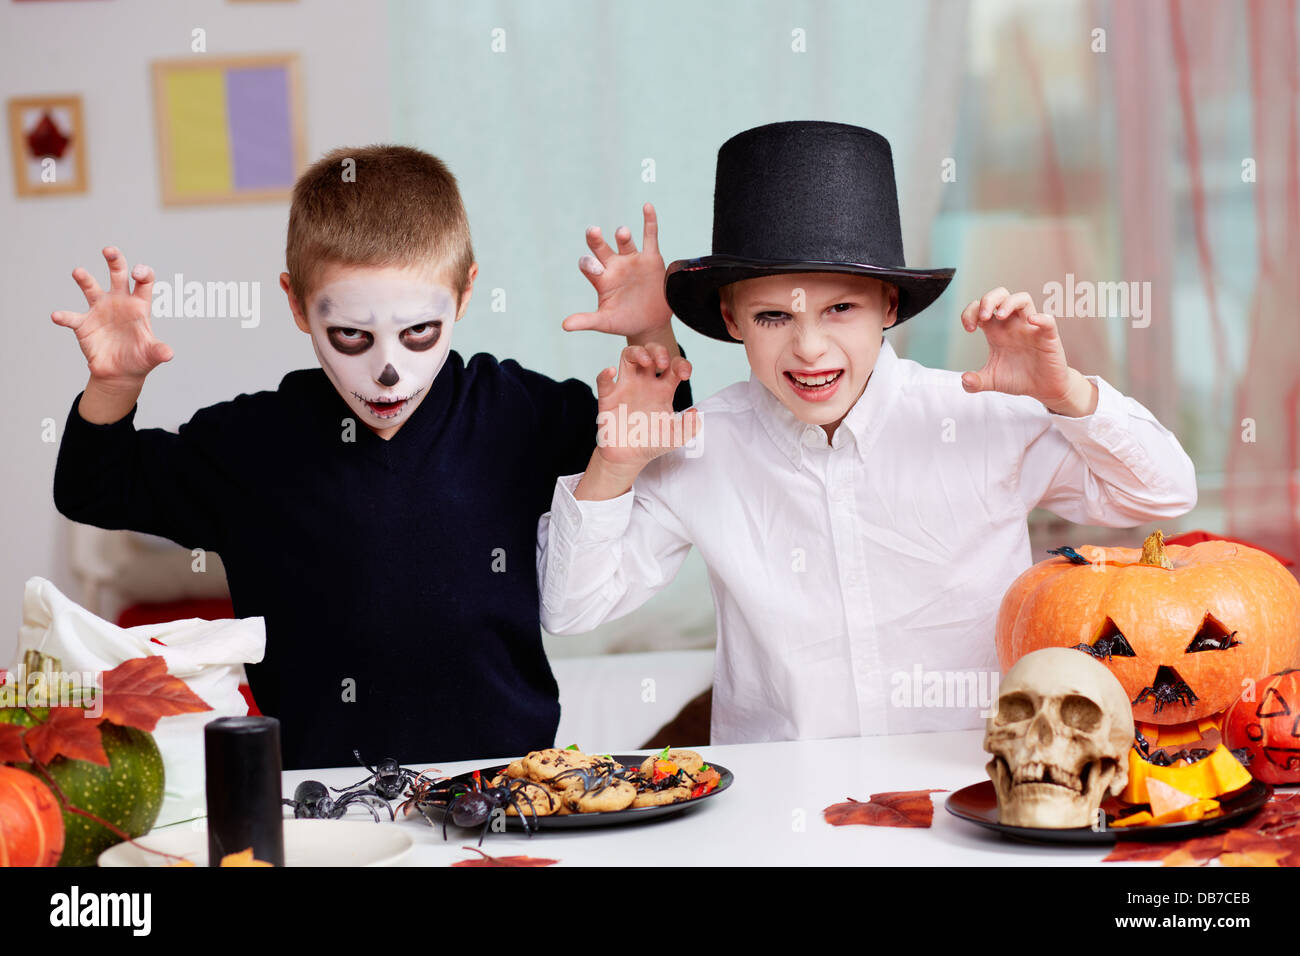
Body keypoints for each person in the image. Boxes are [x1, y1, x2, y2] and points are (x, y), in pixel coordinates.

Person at [537, 121, 1198, 742]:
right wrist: (614, 467)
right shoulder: (703, 444)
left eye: (840, 309)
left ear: (887, 306)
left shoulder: (978, 413)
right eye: (772, 318)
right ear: (731, 319)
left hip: (968, 786)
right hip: (782, 812)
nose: (809, 349)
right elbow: (570, 611)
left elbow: (1162, 496)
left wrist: (1067, 393)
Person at [50, 144, 691, 770]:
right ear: (298, 304)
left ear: (464, 295)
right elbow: (92, 487)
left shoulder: (514, 411)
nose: (388, 372)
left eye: (418, 333)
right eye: (352, 335)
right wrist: (114, 386)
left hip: (505, 779)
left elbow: (670, 446)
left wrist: (651, 331)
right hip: (320, 795)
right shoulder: (252, 442)